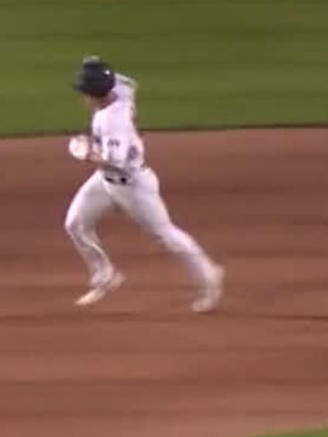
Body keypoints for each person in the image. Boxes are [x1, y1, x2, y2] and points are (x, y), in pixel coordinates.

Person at [63, 55, 224, 312]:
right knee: (75, 223)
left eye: (85, 90)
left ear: (97, 94)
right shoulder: (121, 89)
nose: (81, 95)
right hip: (105, 183)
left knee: (166, 235)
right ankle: (105, 276)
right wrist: (93, 65)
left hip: (133, 187)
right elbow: (128, 82)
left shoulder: (114, 121)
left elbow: (116, 162)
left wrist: (85, 153)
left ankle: (209, 275)